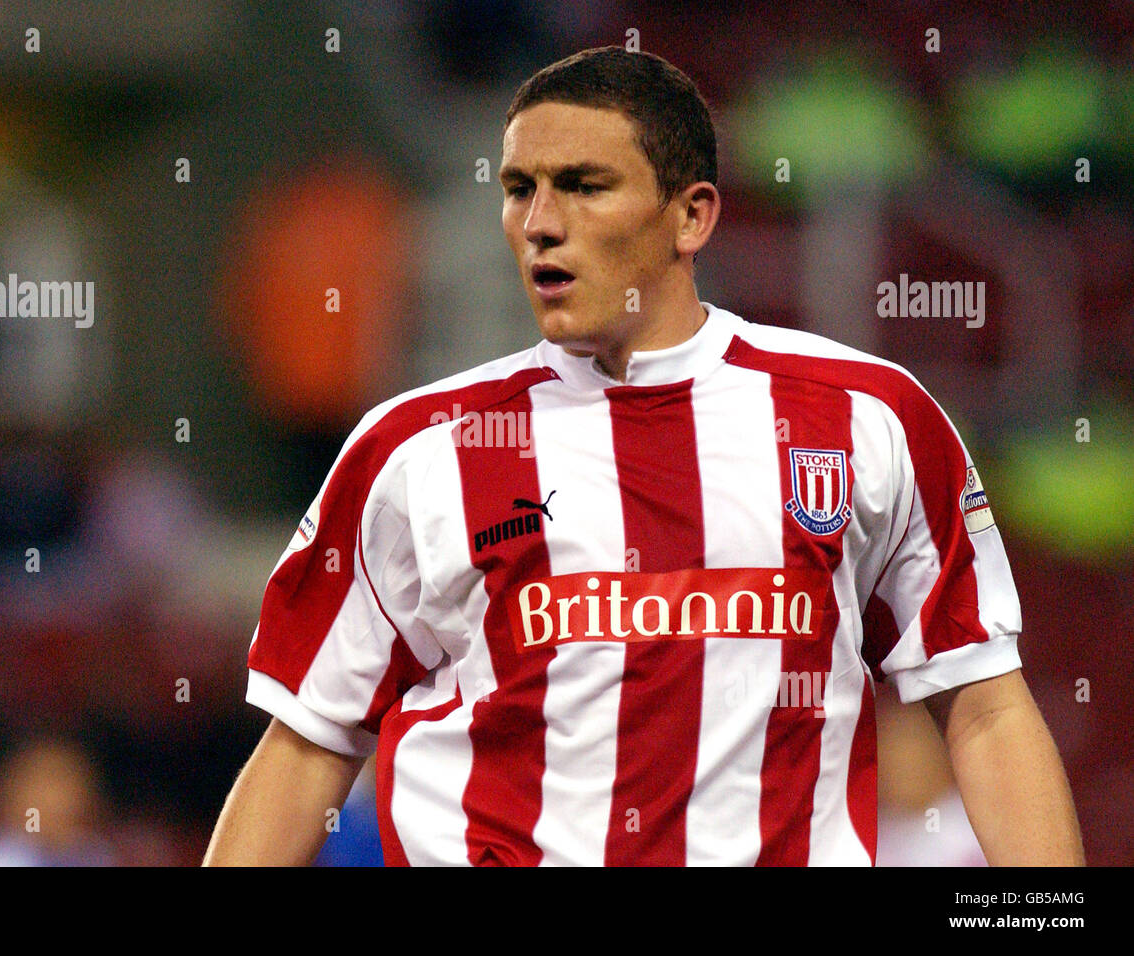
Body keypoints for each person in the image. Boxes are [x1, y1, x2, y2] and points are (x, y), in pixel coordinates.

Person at [204, 46, 1084, 866]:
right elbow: (308, 741)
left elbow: (984, 706)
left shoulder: (866, 417)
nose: (540, 223)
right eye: (519, 188)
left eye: (583, 185)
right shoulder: (417, 449)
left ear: (692, 215)